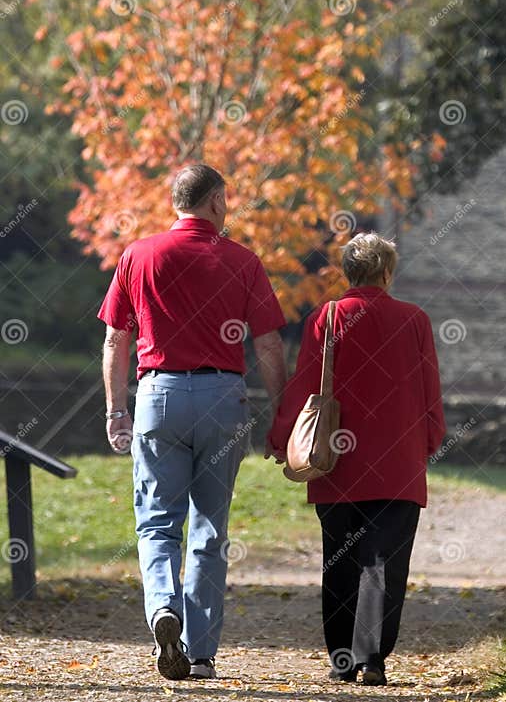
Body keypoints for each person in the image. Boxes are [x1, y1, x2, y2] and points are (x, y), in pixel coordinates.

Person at [98, 164, 286, 680]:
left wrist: (117, 410)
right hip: (223, 398)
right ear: (218, 201)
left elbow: (116, 340)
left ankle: (163, 608)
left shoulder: (138, 255)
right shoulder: (243, 261)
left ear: (176, 201)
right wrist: (284, 414)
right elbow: (267, 343)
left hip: (157, 395)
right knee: (209, 527)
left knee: (158, 521)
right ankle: (200, 652)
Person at [267, 232, 446, 686]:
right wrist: (431, 438)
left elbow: (306, 383)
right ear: (387, 272)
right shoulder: (415, 320)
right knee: (383, 561)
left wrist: (281, 437)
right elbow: (429, 388)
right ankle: (374, 659)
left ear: (348, 272)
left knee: (340, 559)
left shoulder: (325, 318)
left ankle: (342, 658)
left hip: (335, 460)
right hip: (397, 461)